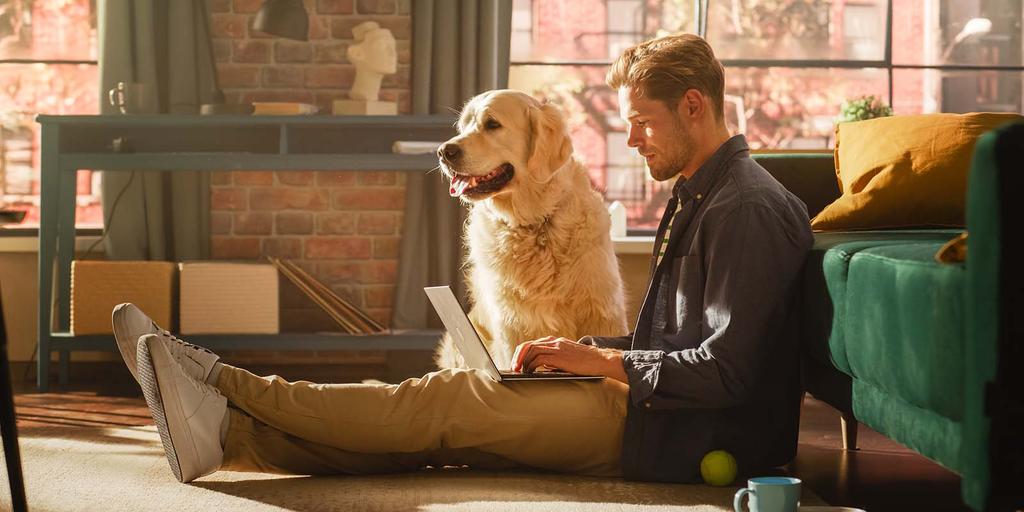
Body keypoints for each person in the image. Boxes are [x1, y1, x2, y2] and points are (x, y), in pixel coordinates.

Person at [113, 33, 813, 484]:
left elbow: (727, 373)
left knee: (448, 401)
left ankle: (224, 384)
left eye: (642, 122)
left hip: (677, 435)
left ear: (695, 106)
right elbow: (680, 345)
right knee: (436, 429)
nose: (630, 140)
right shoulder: (702, 194)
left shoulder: (743, 209)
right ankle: (232, 436)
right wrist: (588, 350)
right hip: (652, 410)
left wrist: (601, 363)